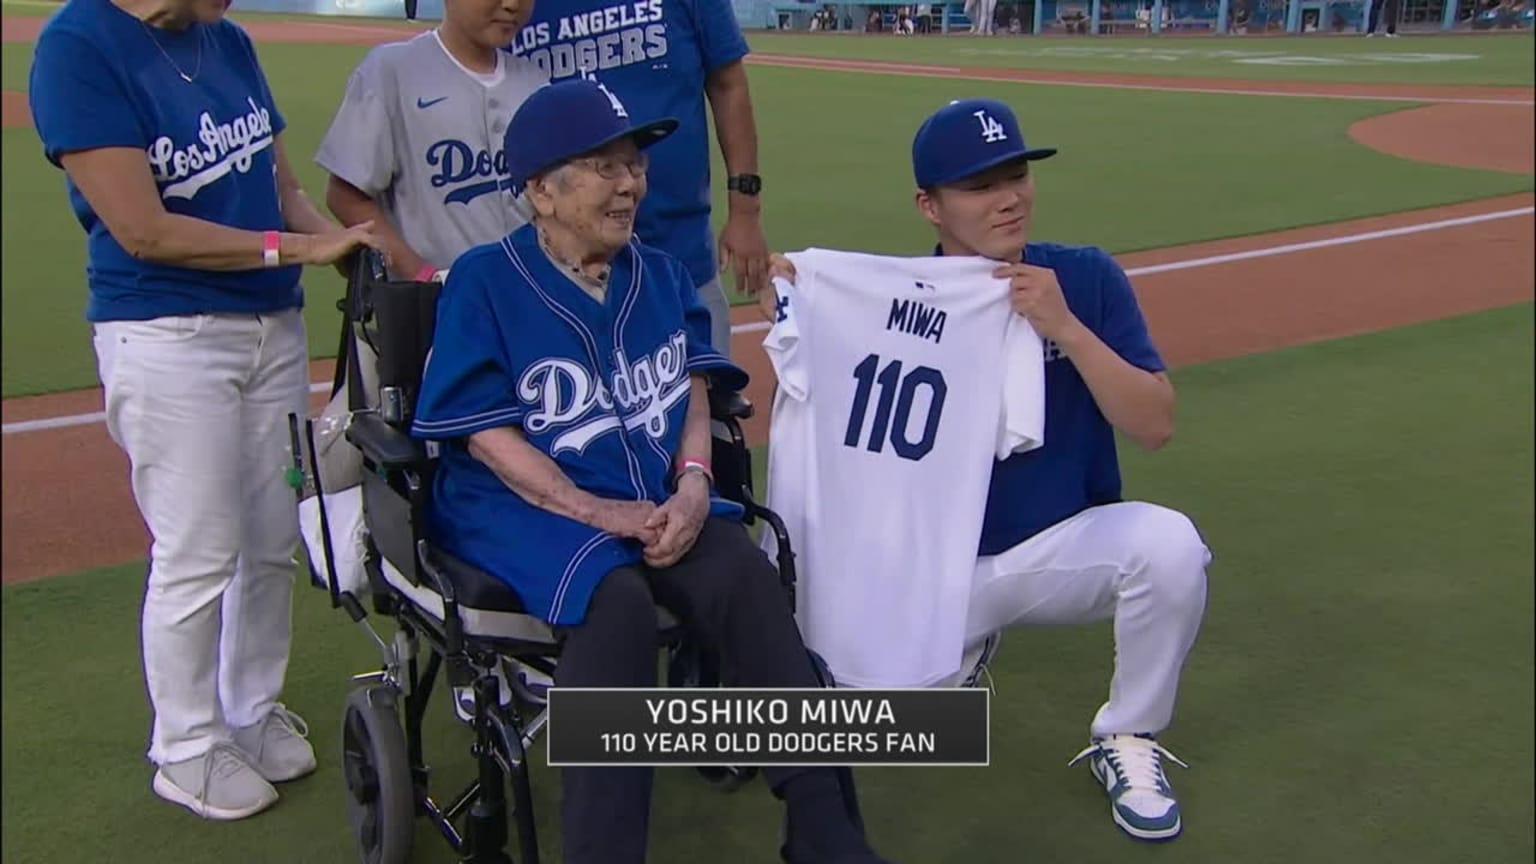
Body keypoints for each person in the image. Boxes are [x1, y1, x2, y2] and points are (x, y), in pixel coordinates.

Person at [408, 78, 892, 864]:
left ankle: (826, 834)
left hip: (656, 496)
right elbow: (487, 435)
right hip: (519, 506)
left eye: (633, 164)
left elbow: (692, 392)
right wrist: (600, 515)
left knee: (740, 570)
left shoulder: (660, 273)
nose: (630, 183)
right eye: (603, 166)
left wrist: (696, 482)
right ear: (540, 190)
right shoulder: (484, 281)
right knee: (618, 601)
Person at [760, 98, 1212, 843]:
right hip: (932, 570)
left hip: (1055, 549)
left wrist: (1064, 326)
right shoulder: (884, 299)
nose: (1008, 198)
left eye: (1017, 177)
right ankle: (952, 651)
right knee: (862, 727)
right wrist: (803, 297)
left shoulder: (1085, 279)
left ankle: (1128, 735)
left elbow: (1155, 422)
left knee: (1169, 548)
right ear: (928, 206)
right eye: (979, 186)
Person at [28, 0, 380, 822]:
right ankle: (184, 745)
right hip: (168, 332)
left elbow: (281, 187)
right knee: (198, 547)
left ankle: (251, 711)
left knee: (268, 538)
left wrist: (338, 241)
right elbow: (143, 230)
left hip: (272, 327)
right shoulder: (78, 45)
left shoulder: (227, 40)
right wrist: (296, 248)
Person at [313, 0, 548, 720]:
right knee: (442, 478)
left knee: (531, 473)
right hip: (428, 322)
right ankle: (471, 645)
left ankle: (531, 642)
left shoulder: (537, 83)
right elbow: (346, 192)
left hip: (527, 325)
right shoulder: (393, 70)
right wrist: (419, 277)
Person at [507, 0, 772, 359]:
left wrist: (745, 211)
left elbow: (728, 84)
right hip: (556, 275)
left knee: (706, 404)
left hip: (682, 256)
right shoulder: (518, 7)